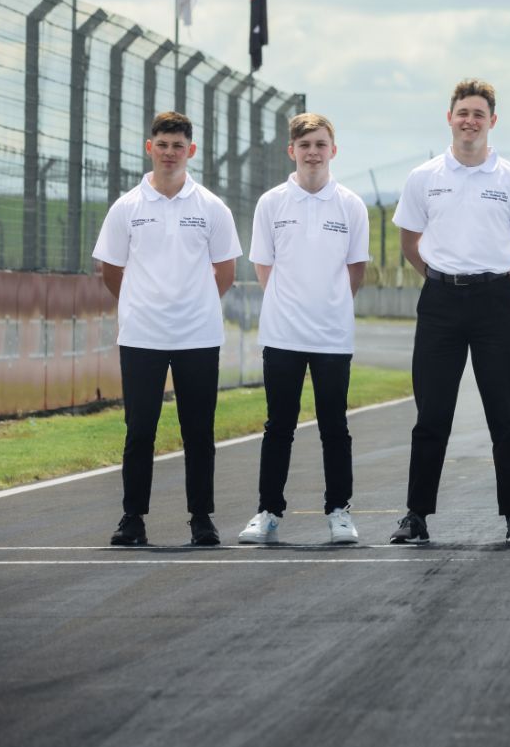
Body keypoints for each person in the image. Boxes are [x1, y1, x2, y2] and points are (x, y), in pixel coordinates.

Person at [390, 79, 510, 545]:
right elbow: (409, 243)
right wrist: (441, 279)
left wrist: (500, 288)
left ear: (492, 122)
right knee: (432, 414)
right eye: (463, 112)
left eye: (479, 114)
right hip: (439, 303)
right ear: (450, 117)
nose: (470, 121)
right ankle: (416, 515)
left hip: (494, 302)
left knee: (505, 414)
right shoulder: (424, 177)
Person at [92, 111, 241, 547]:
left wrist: (190, 306)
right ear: (150, 148)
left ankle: (201, 519)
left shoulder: (212, 207)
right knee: (140, 431)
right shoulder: (127, 207)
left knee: (199, 431)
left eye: (178, 146)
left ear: (190, 151)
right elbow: (112, 270)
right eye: (163, 144)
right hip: (142, 336)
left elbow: (225, 272)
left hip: (198, 335)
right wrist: (143, 305)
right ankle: (132, 518)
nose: (170, 153)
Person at [238, 113, 371, 545]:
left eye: (320, 144)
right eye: (305, 145)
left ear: (334, 150)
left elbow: (355, 270)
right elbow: (264, 267)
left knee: (335, 425)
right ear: (291, 150)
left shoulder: (350, 204)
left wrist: (327, 307)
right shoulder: (271, 203)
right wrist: (291, 306)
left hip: (333, 336)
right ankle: (268, 511)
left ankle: (339, 512)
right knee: (279, 425)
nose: (313, 152)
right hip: (282, 335)